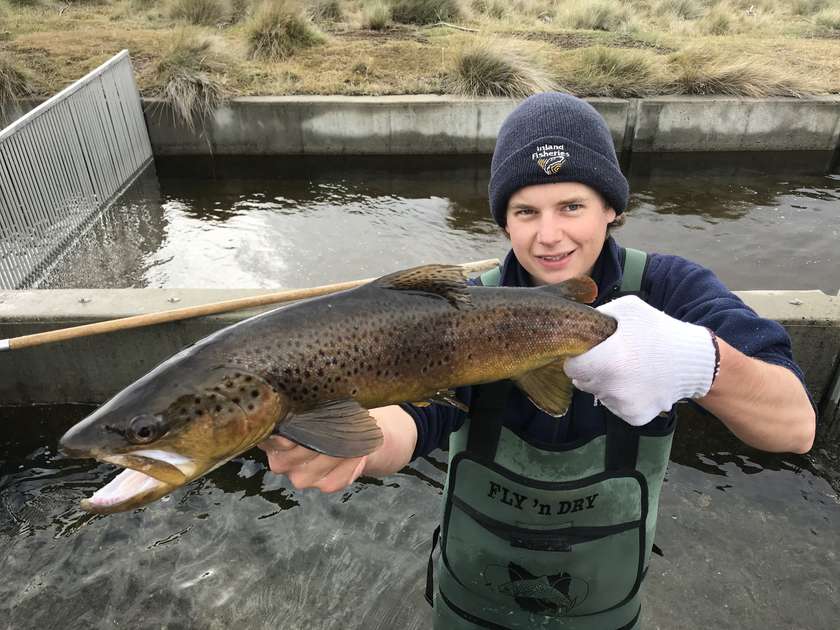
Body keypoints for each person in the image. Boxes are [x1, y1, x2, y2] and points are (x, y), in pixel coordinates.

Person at [258, 93, 816, 629]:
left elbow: (794, 427)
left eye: (571, 206)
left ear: (611, 208)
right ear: (505, 223)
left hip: (604, 607)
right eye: (526, 211)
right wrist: (344, 445)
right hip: (468, 602)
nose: (549, 236)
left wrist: (701, 362)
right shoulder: (462, 309)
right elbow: (409, 421)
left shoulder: (672, 290)